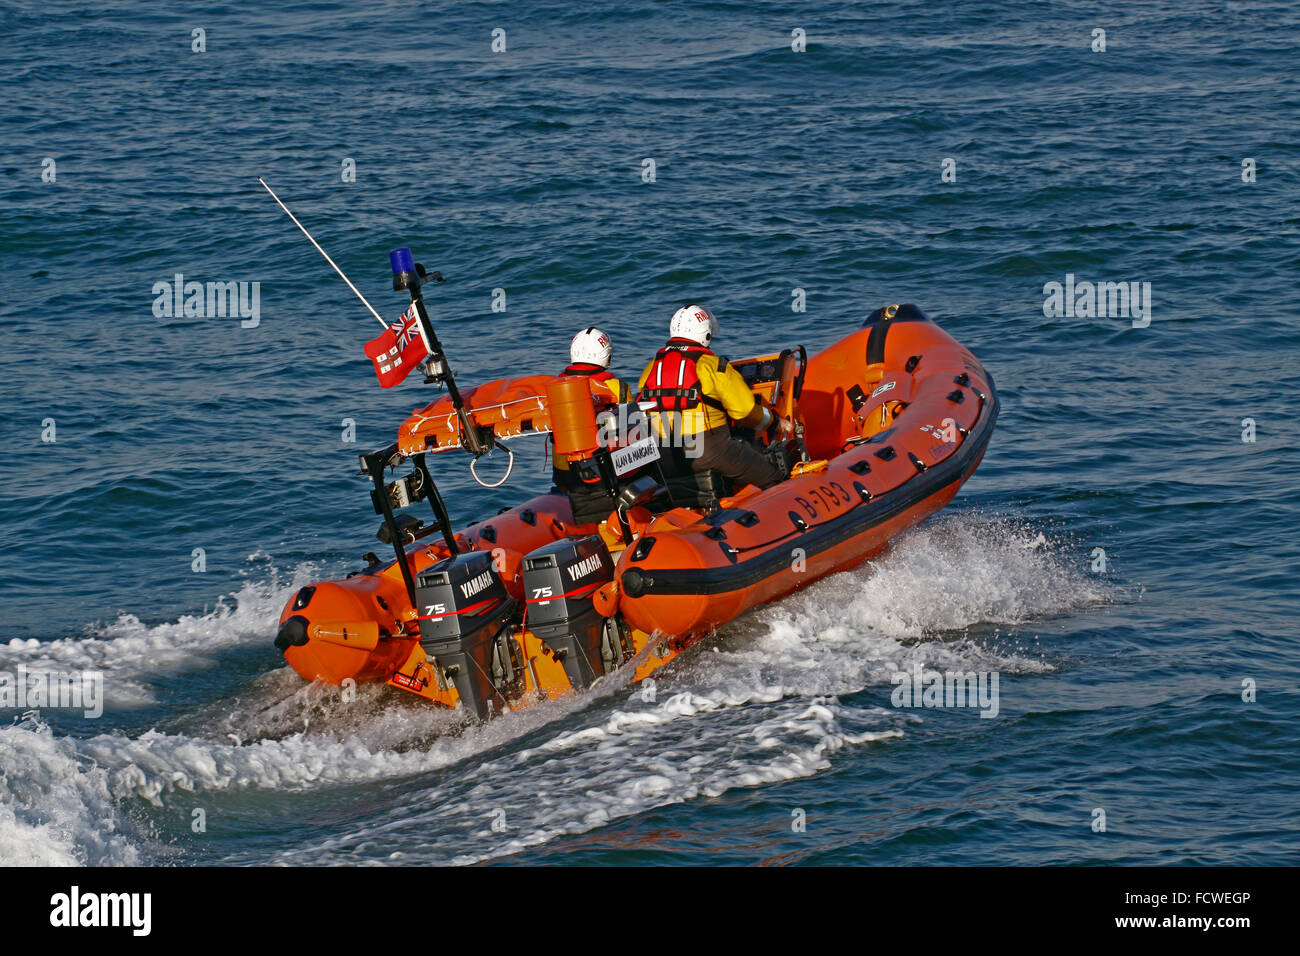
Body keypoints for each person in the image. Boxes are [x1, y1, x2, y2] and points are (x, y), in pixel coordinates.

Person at [637, 305, 792, 490]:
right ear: (706, 335)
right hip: (708, 451)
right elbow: (745, 411)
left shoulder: (651, 368)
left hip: (666, 457)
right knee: (771, 476)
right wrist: (775, 423)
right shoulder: (713, 366)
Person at [552, 327, 631, 492]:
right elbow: (634, 427)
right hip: (603, 473)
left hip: (563, 474)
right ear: (605, 355)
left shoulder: (556, 389)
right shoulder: (617, 388)